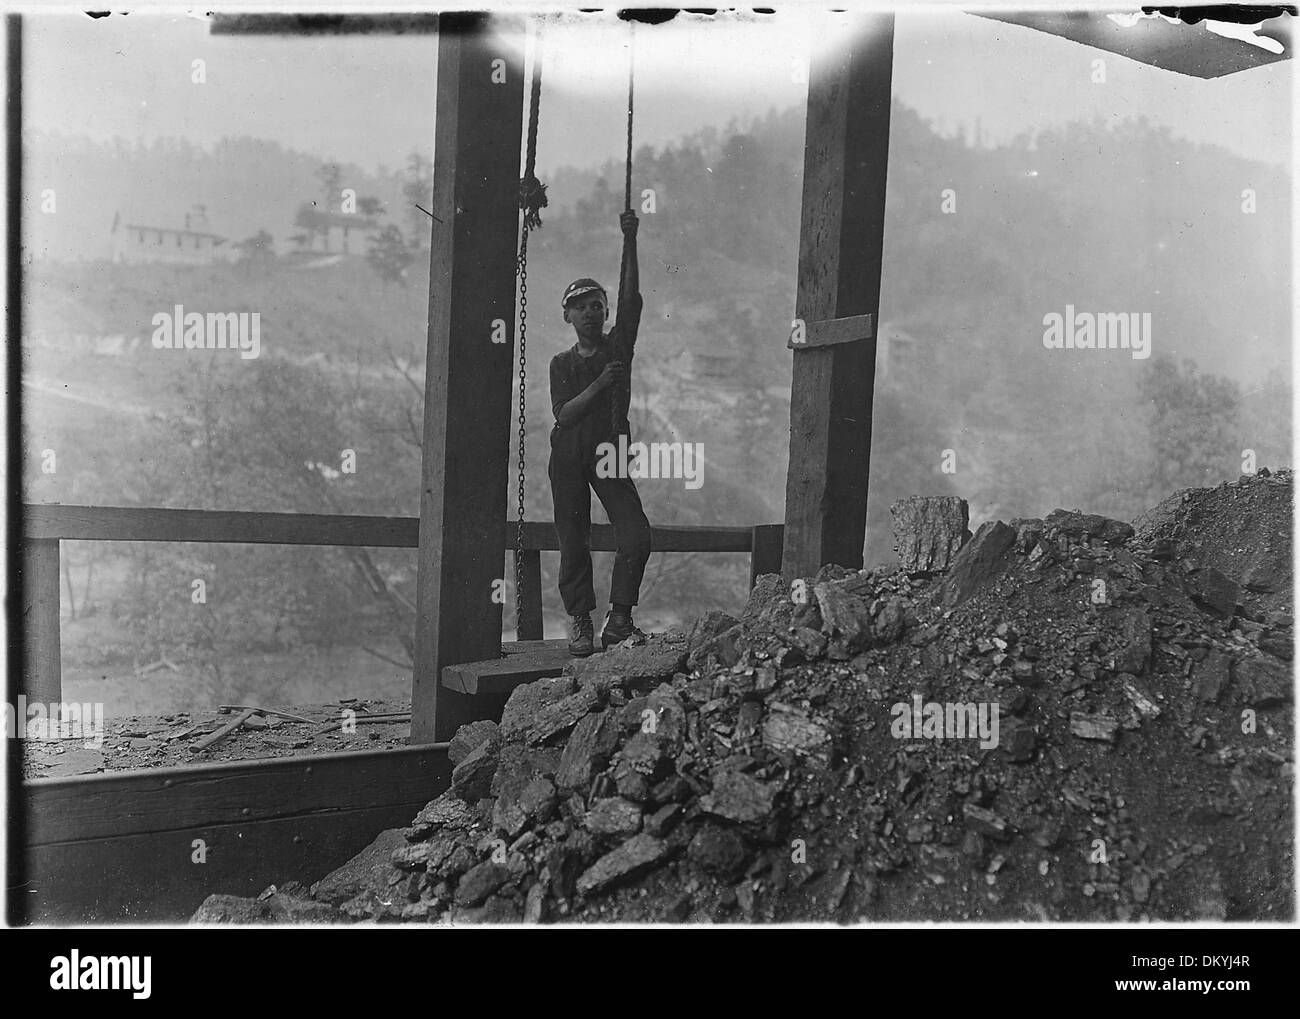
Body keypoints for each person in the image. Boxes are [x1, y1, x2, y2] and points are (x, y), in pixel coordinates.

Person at [548, 209, 652, 656]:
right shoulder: (562, 364)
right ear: (567, 314)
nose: (591, 312)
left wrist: (629, 240)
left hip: (610, 446)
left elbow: (633, 301)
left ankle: (620, 616)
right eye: (582, 306)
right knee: (573, 539)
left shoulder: (618, 347)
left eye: (598, 305)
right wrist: (601, 384)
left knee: (635, 533)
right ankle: (580, 621)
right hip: (569, 452)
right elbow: (564, 413)